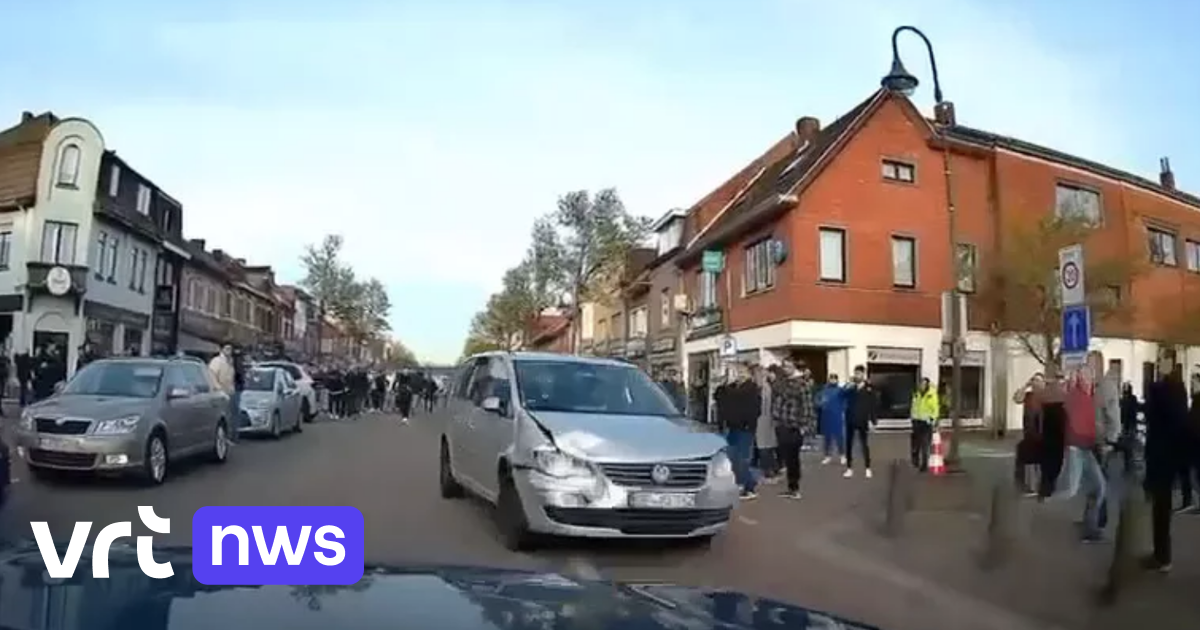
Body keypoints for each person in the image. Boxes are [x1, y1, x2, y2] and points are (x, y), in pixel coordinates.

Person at [1143, 354, 1188, 573]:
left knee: (1160, 508)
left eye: (1164, 361)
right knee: (1162, 507)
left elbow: (1153, 418)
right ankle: (1161, 554)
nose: (1160, 364)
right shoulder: (1179, 389)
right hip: (1170, 455)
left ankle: (1162, 557)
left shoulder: (1159, 389)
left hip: (1160, 455)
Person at [770, 359, 816, 500]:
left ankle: (794, 488)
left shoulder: (801, 384)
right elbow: (777, 400)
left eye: (788, 366)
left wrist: (805, 426)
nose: (785, 369)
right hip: (782, 424)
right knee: (786, 456)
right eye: (784, 366)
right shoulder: (783, 382)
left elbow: (807, 406)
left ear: (794, 368)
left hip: (794, 426)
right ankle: (791, 486)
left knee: (793, 457)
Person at [714, 363, 761, 500]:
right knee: (732, 456)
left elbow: (745, 402)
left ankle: (750, 486)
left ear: (748, 374)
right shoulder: (731, 388)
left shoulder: (751, 388)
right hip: (732, 426)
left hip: (745, 428)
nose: (739, 375)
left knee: (742, 458)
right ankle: (742, 482)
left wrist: (748, 423)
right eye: (736, 372)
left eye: (742, 372)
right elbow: (718, 396)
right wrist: (724, 384)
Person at [843, 365, 878, 479]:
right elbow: (842, 396)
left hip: (863, 419)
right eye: (855, 373)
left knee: (864, 444)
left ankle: (867, 468)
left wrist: (873, 420)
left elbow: (873, 405)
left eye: (859, 373)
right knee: (849, 444)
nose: (857, 375)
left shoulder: (869, 389)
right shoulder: (851, 388)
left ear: (863, 374)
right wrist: (847, 386)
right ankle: (849, 468)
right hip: (850, 419)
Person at [1013, 373, 1045, 496]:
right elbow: (1017, 398)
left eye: (1039, 381)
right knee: (1030, 460)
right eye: (1034, 381)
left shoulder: (1046, 396)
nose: (1036, 384)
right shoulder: (1028, 395)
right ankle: (1031, 487)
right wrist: (1025, 386)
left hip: (1042, 431)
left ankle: (1040, 485)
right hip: (1029, 431)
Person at [208, 343, 241, 442]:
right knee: (221, 417)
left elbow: (231, 378)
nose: (229, 351)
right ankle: (223, 438)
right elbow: (212, 376)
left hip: (230, 393)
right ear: (221, 349)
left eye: (230, 349)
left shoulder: (230, 362)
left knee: (231, 416)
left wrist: (232, 389)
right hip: (220, 394)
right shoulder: (216, 361)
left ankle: (231, 437)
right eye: (226, 348)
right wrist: (218, 389)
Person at [752, 365, 779, 483]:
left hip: (763, 420)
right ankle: (772, 470)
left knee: (764, 447)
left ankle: (769, 472)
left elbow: (762, 406)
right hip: (765, 421)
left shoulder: (764, 388)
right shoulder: (765, 387)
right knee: (765, 446)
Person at [909, 377, 939, 472]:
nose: (922, 385)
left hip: (926, 423)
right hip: (916, 422)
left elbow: (935, 409)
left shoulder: (931, 395)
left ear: (927, 385)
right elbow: (913, 406)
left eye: (924, 384)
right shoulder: (916, 394)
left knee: (925, 444)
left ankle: (924, 464)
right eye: (921, 383)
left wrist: (931, 419)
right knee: (915, 443)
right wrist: (912, 418)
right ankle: (915, 460)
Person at [817, 373, 847, 465]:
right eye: (831, 379)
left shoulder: (841, 391)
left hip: (837, 416)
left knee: (839, 437)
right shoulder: (824, 391)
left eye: (834, 379)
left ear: (837, 380)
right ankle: (827, 456)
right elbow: (817, 400)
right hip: (826, 417)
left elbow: (846, 402)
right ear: (829, 380)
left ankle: (842, 455)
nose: (833, 380)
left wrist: (843, 411)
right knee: (827, 438)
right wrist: (821, 404)